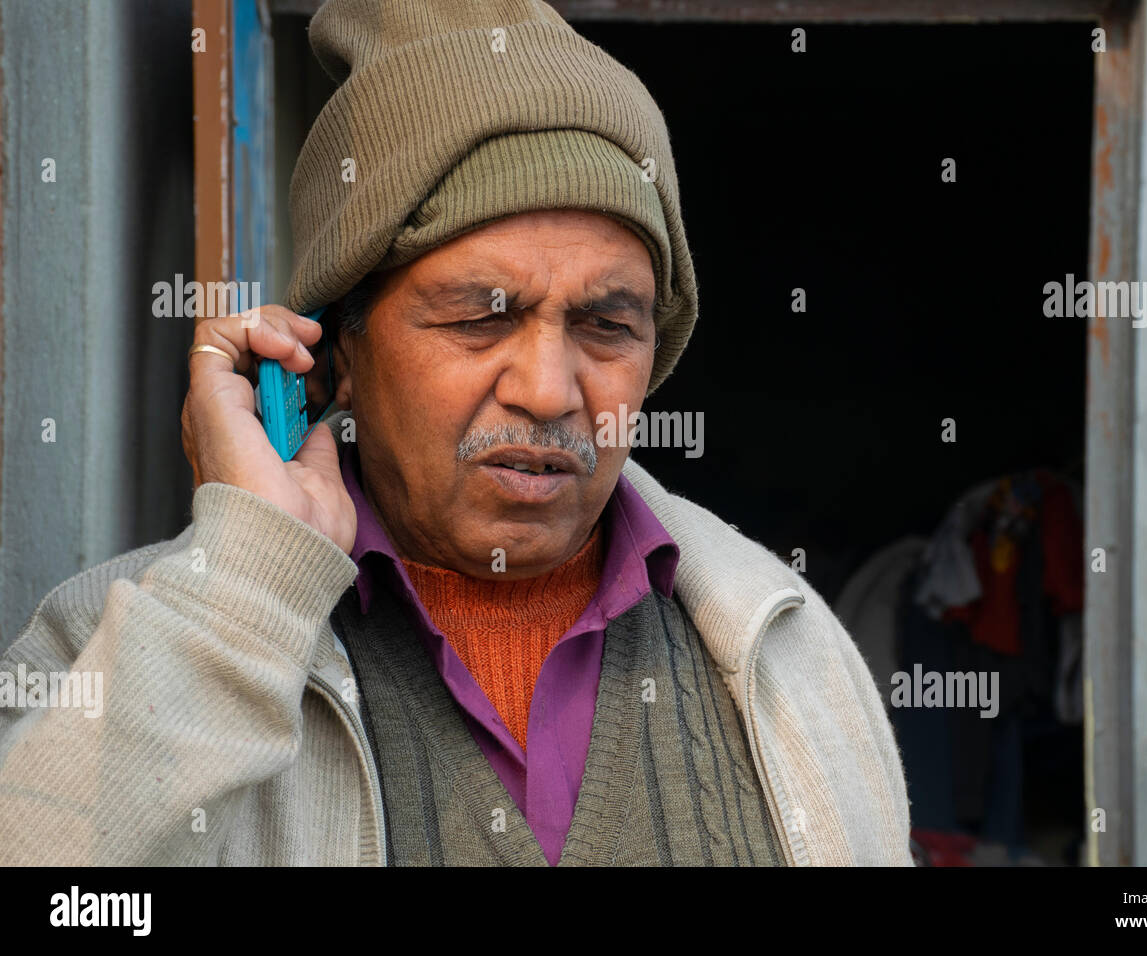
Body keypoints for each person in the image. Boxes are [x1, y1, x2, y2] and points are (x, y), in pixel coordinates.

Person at [0, 0, 910, 866]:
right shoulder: (120, 641)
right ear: (334, 355)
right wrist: (243, 590)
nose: (550, 390)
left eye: (607, 324)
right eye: (479, 317)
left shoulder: (780, 644)